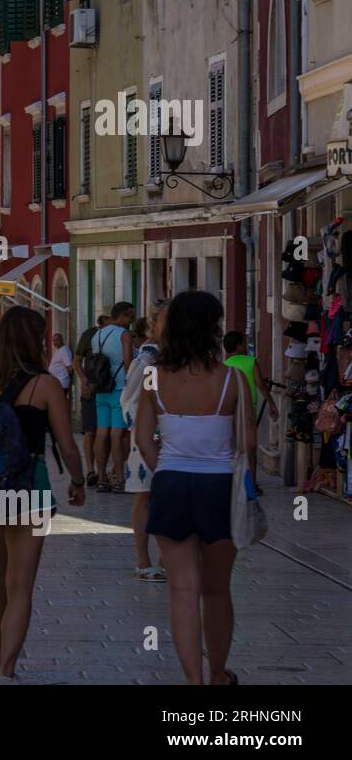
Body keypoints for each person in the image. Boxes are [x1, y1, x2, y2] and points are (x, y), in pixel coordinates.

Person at [0, 306, 86, 684]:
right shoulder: (44, 385)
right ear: (33, 339)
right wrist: (79, 480)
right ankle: (7, 670)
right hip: (28, 488)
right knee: (20, 584)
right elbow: (68, 446)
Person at [135, 291, 254, 685]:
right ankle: (219, 673)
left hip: (172, 483)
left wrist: (165, 470)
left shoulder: (154, 377)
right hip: (219, 487)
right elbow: (248, 445)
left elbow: (143, 439)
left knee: (182, 590)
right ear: (213, 329)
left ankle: (195, 681)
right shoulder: (232, 379)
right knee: (217, 590)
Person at [121, 301, 168, 581]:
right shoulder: (149, 355)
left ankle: (166, 558)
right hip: (150, 432)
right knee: (146, 493)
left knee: (171, 496)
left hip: (178, 432)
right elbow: (131, 393)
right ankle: (143, 558)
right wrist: (146, 427)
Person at [91, 303, 135, 492]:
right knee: (116, 434)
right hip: (118, 389)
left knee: (101, 432)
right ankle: (118, 478)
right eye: (130, 316)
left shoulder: (97, 335)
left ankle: (101, 478)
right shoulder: (124, 335)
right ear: (122, 316)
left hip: (101, 389)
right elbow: (128, 364)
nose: (131, 320)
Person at [73, 314, 109, 486]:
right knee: (90, 431)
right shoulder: (89, 335)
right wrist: (83, 380)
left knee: (107, 433)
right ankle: (90, 470)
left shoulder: (122, 334)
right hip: (91, 388)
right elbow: (77, 361)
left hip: (109, 389)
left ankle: (105, 471)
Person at [223, 331, 279, 424]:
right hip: (248, 405)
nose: (246, 345)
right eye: (244, 343)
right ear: (238, 346)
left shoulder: (225, 365)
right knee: (248, 435)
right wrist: (271, 403)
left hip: (231, 406)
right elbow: (260, 385)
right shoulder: (251, 361)